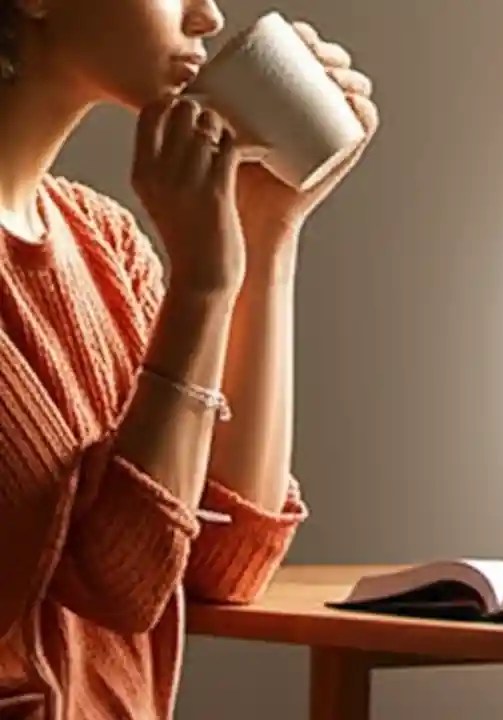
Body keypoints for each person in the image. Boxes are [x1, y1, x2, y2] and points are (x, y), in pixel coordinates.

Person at [0, 0, 378, 716]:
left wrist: (266, 238)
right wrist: (203, 287)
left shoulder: (103, 241)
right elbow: (122, 585)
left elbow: (222, 561)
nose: (206, 16)